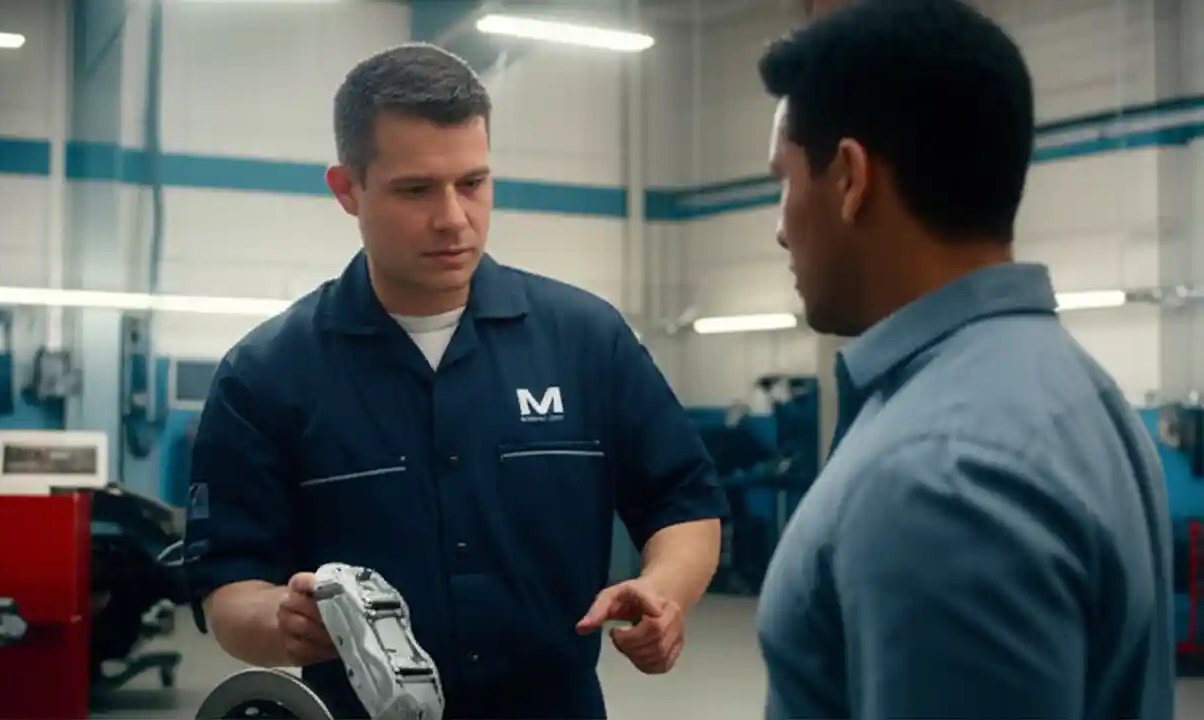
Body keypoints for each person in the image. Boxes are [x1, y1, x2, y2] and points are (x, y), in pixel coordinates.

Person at [181, 42, 726, 719]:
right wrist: (280, 619)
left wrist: (663, 589)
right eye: (416, 190)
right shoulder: (266, 376)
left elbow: (684, 503)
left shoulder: (586, 341)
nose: (453, 219)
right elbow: (228, 585)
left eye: (472, 183)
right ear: (347, 190)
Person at [753, 1, 1174, 718]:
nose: (780, 227)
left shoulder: (938, 473)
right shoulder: (1074, 390)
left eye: (785, 180)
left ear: (851, 179)